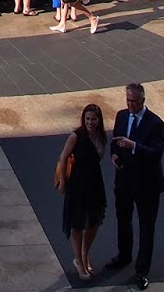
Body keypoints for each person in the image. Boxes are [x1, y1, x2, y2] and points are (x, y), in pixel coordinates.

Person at [104, 83, 164, 290]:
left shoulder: (155, 123)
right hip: (124, 180)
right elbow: (115, 142)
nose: (130, 104)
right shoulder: (121, 116)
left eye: (134, 101)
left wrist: (134, 146)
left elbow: (156, 153)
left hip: (147, 185)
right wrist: (114, 155)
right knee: (123, 219)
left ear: (143, 101)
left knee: (146, 227)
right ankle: (124, 255)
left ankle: (142, 271)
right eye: (128, 100)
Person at [54, 103, 109, 281]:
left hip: (94, 183)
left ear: (99, 120)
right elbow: (63, 158)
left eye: (93, 119)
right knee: (77, 223)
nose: (90, 122)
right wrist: (62, 182)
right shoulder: (76, 136)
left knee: (93, 221)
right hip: (78, 184)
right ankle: (78, 260)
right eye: (87, 119)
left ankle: (85, 255)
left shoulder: (101, 136)